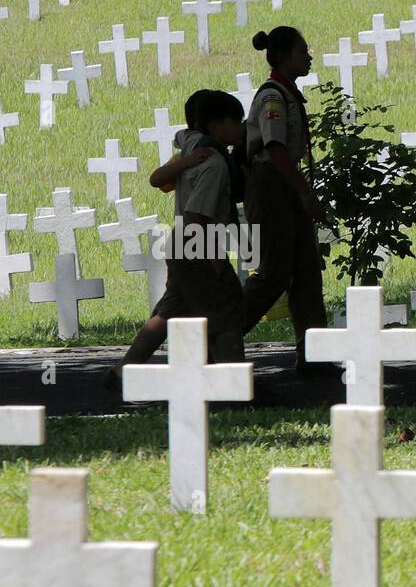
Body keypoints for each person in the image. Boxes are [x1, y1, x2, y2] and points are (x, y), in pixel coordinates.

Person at [104, 90, 247, 391]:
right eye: (236, 121)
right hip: (197, 244)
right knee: (229, 307)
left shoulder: (190, 148)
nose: (242, 127)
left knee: (171, 310)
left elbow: (160, 180)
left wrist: (184, 163)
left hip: (179, 244)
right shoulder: (214, 163)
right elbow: (197, 216)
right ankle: (233, 386)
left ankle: (123, 371)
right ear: (215, 126)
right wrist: (216, 260)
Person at [239, 26, 332, 376]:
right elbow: (275, 150)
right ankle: (221, 338)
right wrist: (305, 193)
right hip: (271, 185)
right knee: (274, 272)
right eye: (302, 51)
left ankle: (314, 354)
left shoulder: (288, 93)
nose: (309, 57)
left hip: (286, 183)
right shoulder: (273, 97)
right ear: (281, 56)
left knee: (307, 270)